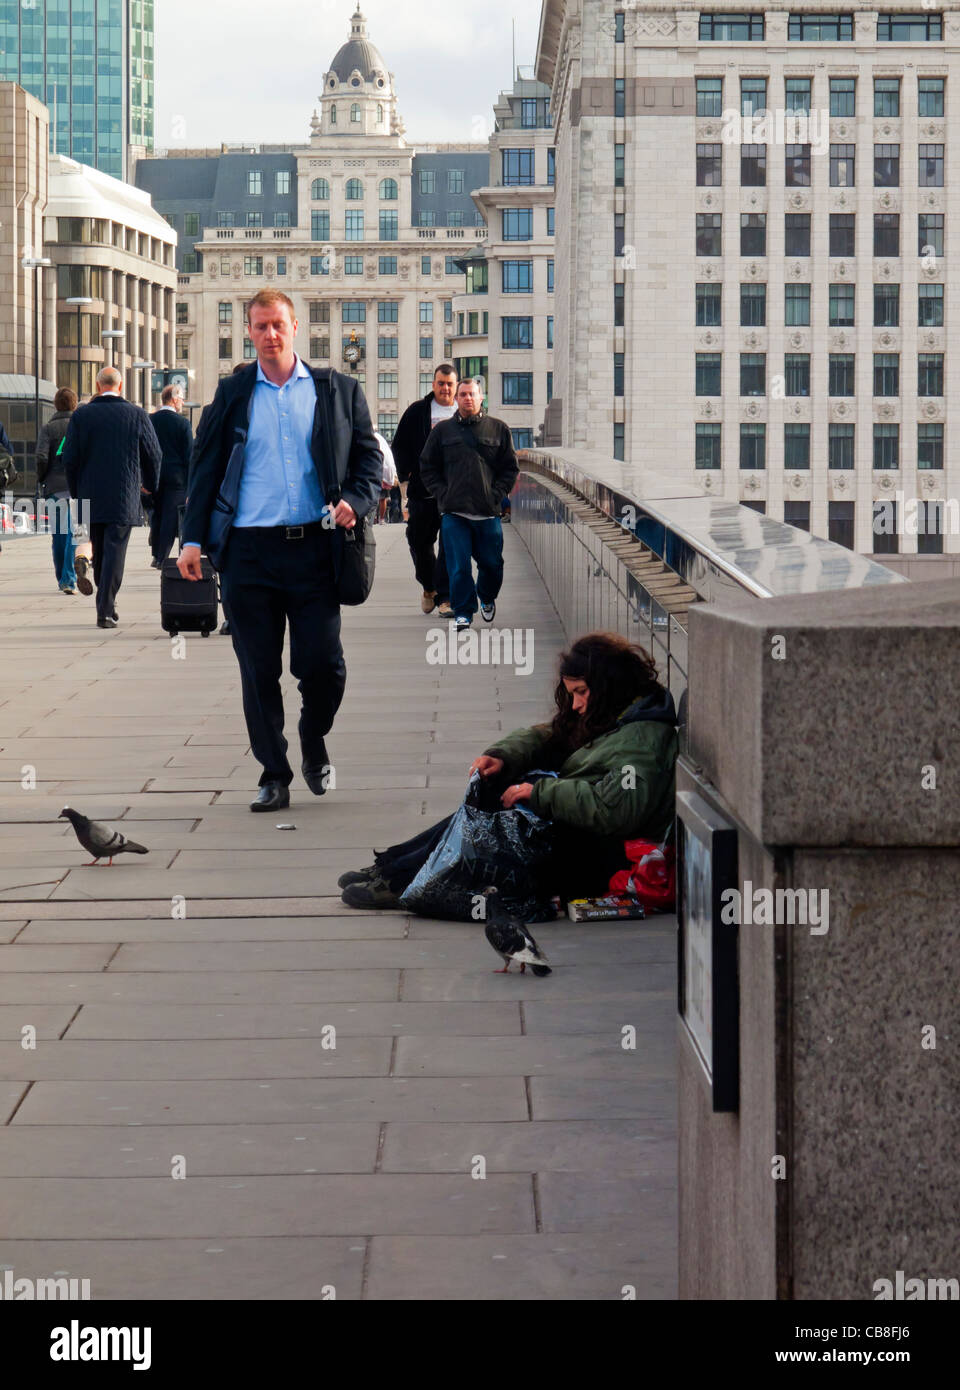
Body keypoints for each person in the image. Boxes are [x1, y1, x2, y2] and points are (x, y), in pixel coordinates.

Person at [177, 288, 382, 813]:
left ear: (296, 329)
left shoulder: (337, 390)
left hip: (315, 549)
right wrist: (192, 539)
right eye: (260, 326)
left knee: (323, 665)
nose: (270, 335)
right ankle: (274, 772)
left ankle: (313, 738)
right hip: (249, 552)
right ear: (250, 331)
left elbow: (368, 464)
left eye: (278, 325)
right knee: (257, 669)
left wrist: (355, 503)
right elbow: (205, 468)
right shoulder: (233, 393)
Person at [340, 632, 678, 910]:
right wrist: (502, 755)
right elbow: (549, 735)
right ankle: (394, 867)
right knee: (492, 785)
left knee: (498, 807)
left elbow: (618, 811)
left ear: (608, 686)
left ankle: (399, 878)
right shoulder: (619, 717)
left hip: (600, 861)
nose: (575, 704)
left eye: (581, 692)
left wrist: (540, 793)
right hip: (582, 839)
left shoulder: (642, 740)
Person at [62, 367, 161, 629]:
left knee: (98, 549)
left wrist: (76, 492)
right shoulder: (136, 415)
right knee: (115, 551)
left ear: (97, 385)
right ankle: (106, 606)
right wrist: (150, 486)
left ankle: (104, 597)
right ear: (120, 386)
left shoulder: (81, 415)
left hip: (88, 495)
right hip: (123, 494)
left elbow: (69, 458)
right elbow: (154, 455)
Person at [419, 377, 518, 630]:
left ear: (481, 397)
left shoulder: (498, 429)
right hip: (455, 513)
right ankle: (463, 611)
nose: (467, 398)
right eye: (462, 395)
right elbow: (427, 467)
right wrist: (443, 494)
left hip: (488, 512)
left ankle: (486, 597)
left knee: (493, 565)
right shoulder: (442, 431)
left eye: (472, 394)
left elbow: (510, 469)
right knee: (459, 567)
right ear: (456, 399)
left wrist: (497, 493)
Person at [392, 364, 458, 616]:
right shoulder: (418, 412)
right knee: (419, 542)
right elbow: (399, 446)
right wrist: (407, 477)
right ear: (433, 384)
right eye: (441, 383)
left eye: (450, 384)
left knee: (450, 545)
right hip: (423, 491)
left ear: (456, 385)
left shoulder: (462, 411)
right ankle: (429, 587)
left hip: (454, 493)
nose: (445, 388)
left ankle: (445, 597)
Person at [35, 387, 80, 594]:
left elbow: (42, 457)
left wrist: (42, 478)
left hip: (54, 486)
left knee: (59, 534)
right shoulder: (80, 425)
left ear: (56, 404)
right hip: (78, 487)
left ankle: (63, 576)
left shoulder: (48, 428)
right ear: (74, 404)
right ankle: (69, 577)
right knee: (75, 534)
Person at [149, 384, 194, 567]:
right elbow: (189, 455)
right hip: (177, 479)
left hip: (154, 476)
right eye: (181, 398)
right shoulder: (183, 423)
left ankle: (155, 553)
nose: (182, 402)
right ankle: (162, 557)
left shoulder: (151, 420)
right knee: (170, 517)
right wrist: (191, 485)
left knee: (156, 514)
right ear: (174, 399)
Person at [373, 429, 397, 525]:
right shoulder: (382, 440)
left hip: (378, 472)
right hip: (385, 473)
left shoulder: (374, 438)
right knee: (382, 498)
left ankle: (374, 518)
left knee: (375, 498)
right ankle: (381, 519)